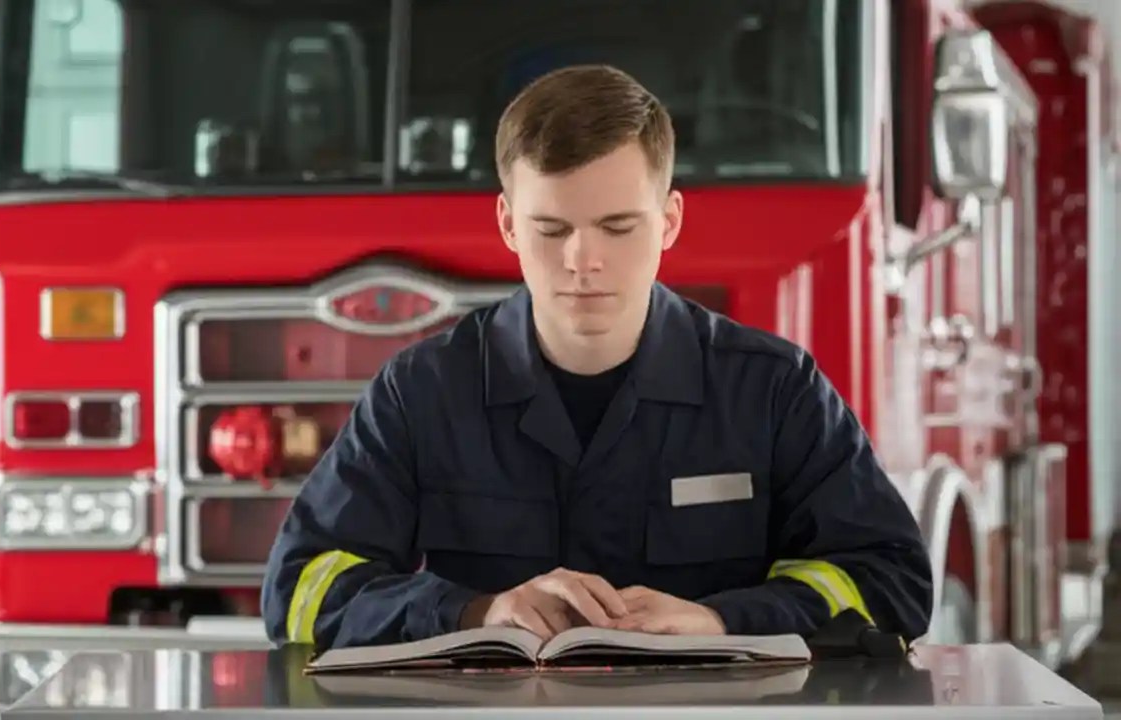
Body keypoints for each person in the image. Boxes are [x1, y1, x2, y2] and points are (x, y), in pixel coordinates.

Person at [261, 64, 933, 649]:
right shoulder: (423, 391)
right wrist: (474, 613)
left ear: (669, 221)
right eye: (551, 229)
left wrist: (723, 622)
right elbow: (299, 589)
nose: (584, 260)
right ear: (507, 224)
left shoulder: (773, 390)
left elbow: (891, 578)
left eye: (619, 226)